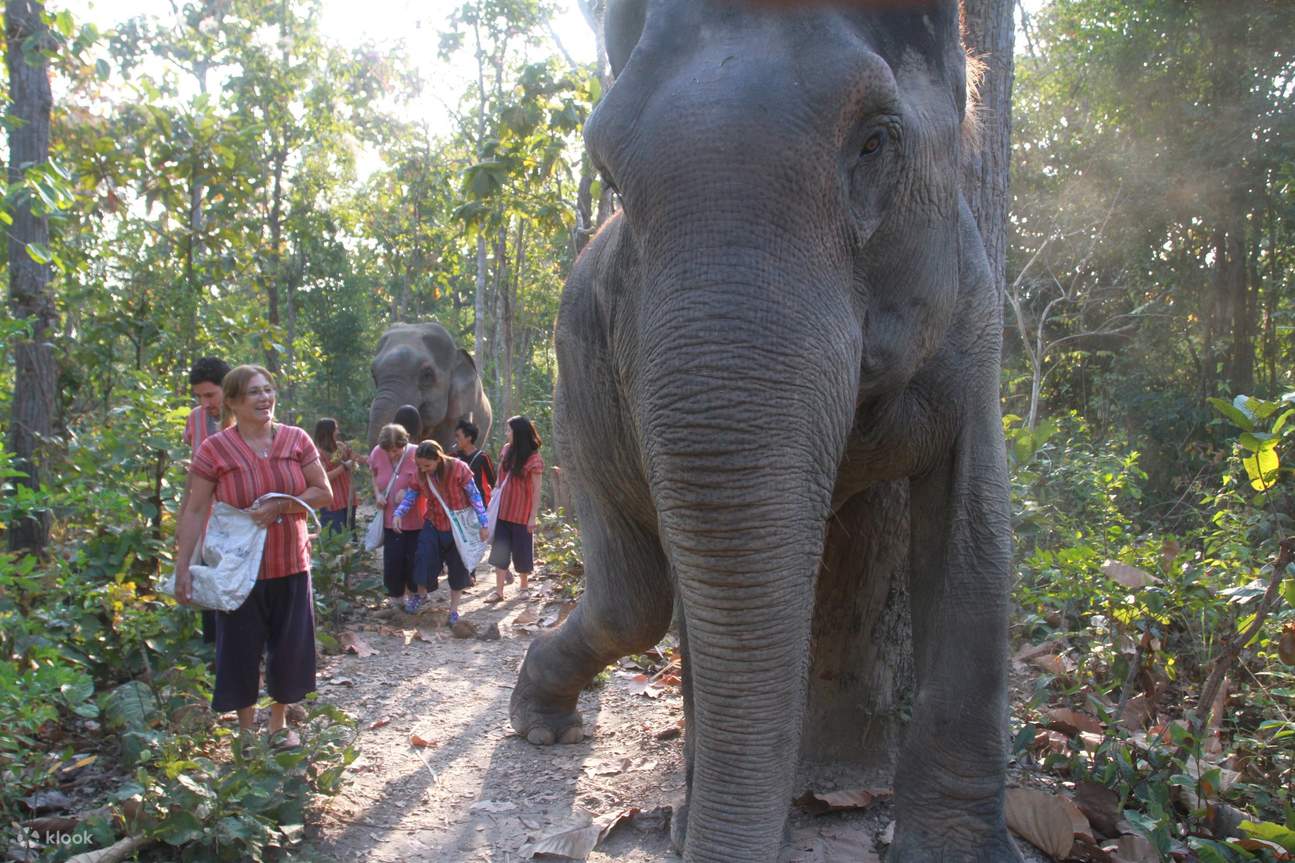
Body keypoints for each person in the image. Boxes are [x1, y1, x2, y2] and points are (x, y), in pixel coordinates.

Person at [173, 365, 332, 749]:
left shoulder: (296, 440)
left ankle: (277, 724)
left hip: (290, 563)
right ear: (233, 402)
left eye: (268, 390)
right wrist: (183, 568)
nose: (265, 398)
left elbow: (323, 492)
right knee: (239, 650)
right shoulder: (215, 450)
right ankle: (245, 731)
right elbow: (195, 509)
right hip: (237, 571)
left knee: (288, 649)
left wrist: (281, 505)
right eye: (254, 393)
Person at [391, 440, 489, 621]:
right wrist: (398, 513)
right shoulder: (420, 475)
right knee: (423, 557)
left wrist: (484, 523)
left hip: (459, 526)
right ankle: (421, 595)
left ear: (438, 458)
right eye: (420, 466)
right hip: (433, 522)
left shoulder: (459, 468)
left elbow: (474, 495)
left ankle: (454, 610)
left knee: (458, 567)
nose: (423, 469)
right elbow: (411, 495)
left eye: (427, 465)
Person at [179, 356, 232, 645]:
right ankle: (215, 652)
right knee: (207, 587)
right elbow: (195, 469)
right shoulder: (196, 419)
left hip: (238, 521)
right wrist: (183, 514)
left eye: (210, 395)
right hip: (206, 518)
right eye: (199, 396)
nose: (205, 402)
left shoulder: (249, 416)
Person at [486, 416, 544, 603]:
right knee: (500, 552)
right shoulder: (506, 450)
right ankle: (499, 592)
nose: (506, 433)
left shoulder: (534, 459)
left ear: (518, 433)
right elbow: (499, 478)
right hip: (503, 512)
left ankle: (524, 587)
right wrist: (494, 498)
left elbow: (536, 490)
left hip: (522, 514)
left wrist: (532, 516)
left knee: (522, 552)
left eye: (509, 430)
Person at [369, 423, 423, 610]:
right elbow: (374, 475)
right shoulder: (377, 453)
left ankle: (415, 595)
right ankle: (396, 597)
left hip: (415, 519)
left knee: (413, 559)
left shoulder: (416, 453)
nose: (392, 454)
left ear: (404, 443)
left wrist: (409, 491)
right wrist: (378, 495)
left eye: (396, 450)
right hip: (390, 519)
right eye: (389, 451)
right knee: (393, 559)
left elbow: (427, 480)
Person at [313, 418, 357, 534]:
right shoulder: (317, 453)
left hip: (347, 498)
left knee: (350, 537)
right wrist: (343, 467)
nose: (338, 432)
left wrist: (352, 454)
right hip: (332, 504)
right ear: (328, 432)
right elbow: (323, 477)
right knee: (335, 536)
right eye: (335, 429)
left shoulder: (339, 448)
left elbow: (352, 460)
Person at [452, 419, 496, 505]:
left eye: (458, 436)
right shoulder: (453, 457)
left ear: (469, 438)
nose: (456, 439)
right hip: (460, 505)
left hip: (479, 504)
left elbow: (492, 481)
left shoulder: (482, 457)